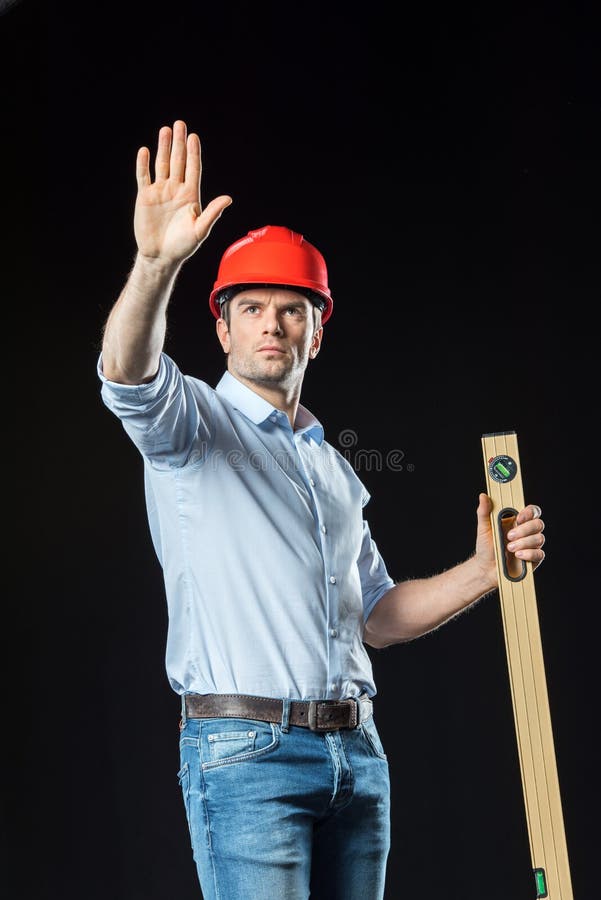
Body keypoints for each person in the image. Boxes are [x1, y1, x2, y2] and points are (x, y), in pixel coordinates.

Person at [98, 120, 546, 900]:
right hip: (246, 753)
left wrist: (483, 572)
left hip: (357, 754)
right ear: (221, 325)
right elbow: (128, 372)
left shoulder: (331, 467)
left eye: (292, 309)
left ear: (316, 331)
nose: (272, 323)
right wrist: (153, 266)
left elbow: (375, 612)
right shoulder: (192, 426)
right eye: (252, 308)